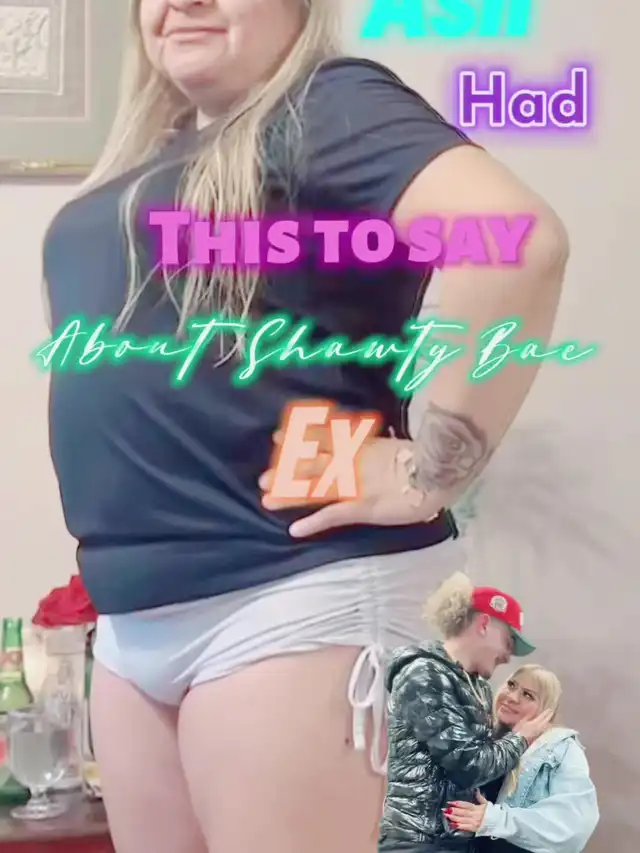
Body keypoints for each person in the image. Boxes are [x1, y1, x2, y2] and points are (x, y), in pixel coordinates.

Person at [40, 0, 568, 851]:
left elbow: (521, 242)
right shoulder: (150, 157)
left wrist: (432, 473)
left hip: (291, 595)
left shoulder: (326, 104)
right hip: (136, 615)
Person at [379, 573, 553, 853]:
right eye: (508, 642)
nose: (508, 656)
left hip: (457, 842)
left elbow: (482, 763)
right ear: (483, 625)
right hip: (418, 843)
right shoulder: (424, 674)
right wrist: (521, 737)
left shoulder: (479, 687)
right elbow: (468, 766)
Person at [445, 665, 599, 853]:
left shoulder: (560, 749)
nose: (512, 697)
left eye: (528, 695)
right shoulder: (482, 735)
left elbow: (573, 825)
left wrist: (496, 819)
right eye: (511, 685)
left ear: (546, 710)